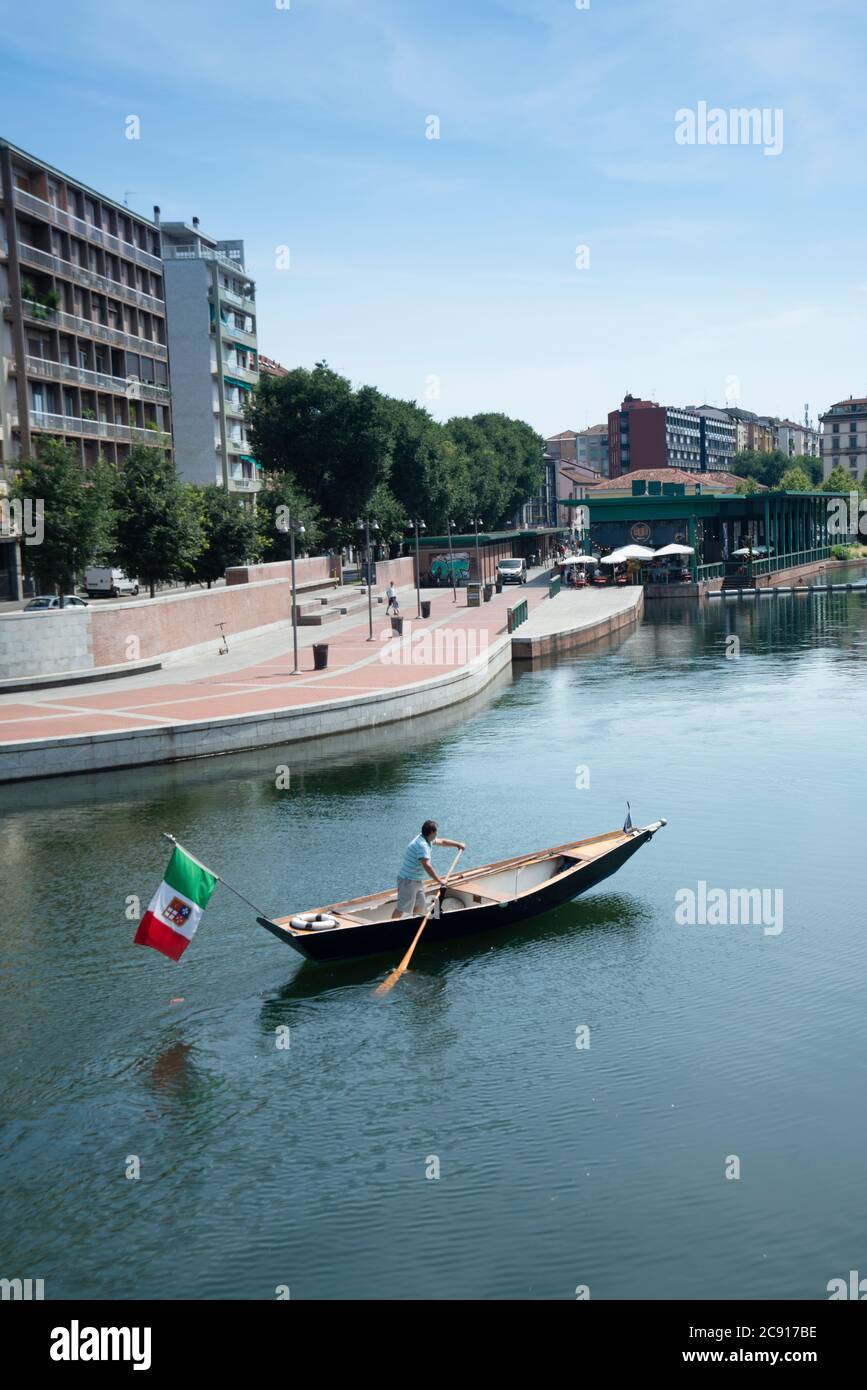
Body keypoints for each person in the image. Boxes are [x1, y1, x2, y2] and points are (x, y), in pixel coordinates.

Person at [392, 820, 466, 919]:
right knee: (402, 907)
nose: (437, 834)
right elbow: (427, 866)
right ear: (431, 832)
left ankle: (414, 922)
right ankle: (391, 927)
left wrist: (458, 844)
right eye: (436, 832)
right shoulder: (422, 845)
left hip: (416, 880)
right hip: (408, 880)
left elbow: (442, 841)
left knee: (420, 904)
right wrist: (440, 881)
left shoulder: (426, 839)